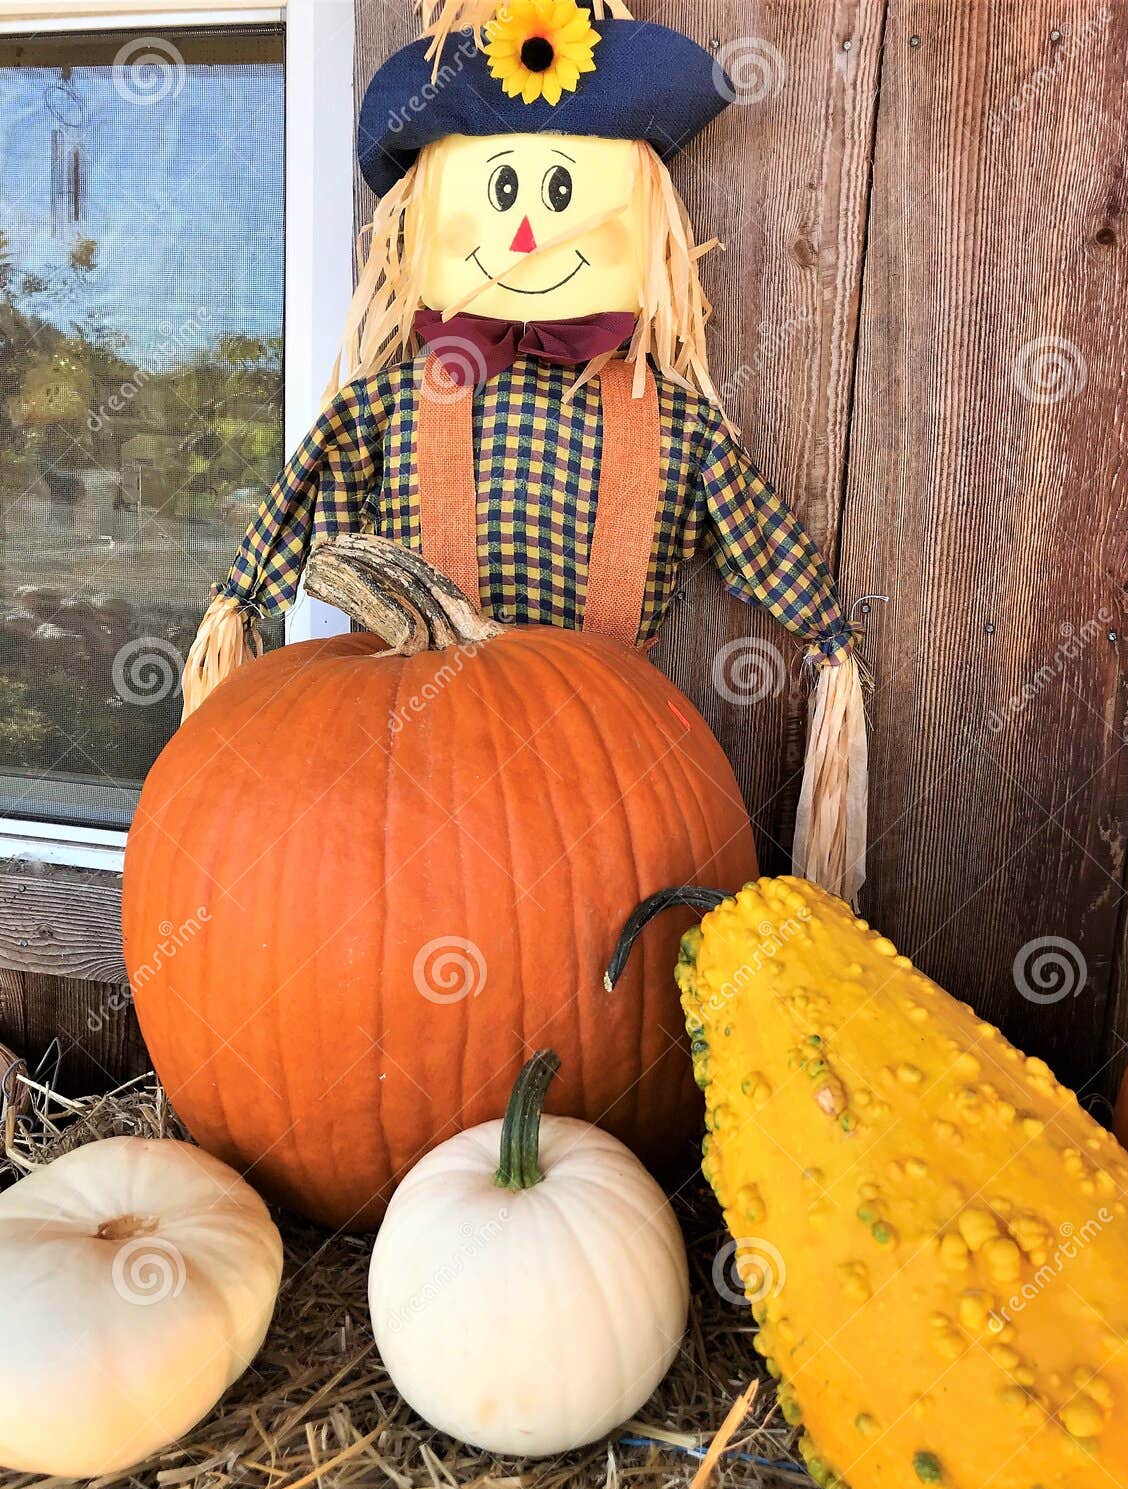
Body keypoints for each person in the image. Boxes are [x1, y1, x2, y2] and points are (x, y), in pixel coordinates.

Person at [182, 0, 869, 900]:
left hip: (610, 771)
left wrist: (828, 644)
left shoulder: (673, 425)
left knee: (598, 945)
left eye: (563, 196)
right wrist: (239, 607)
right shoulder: (387, 408)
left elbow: (760, 536)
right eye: (499, 193)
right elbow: (299, 510)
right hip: (406, 763)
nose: (526, 234)